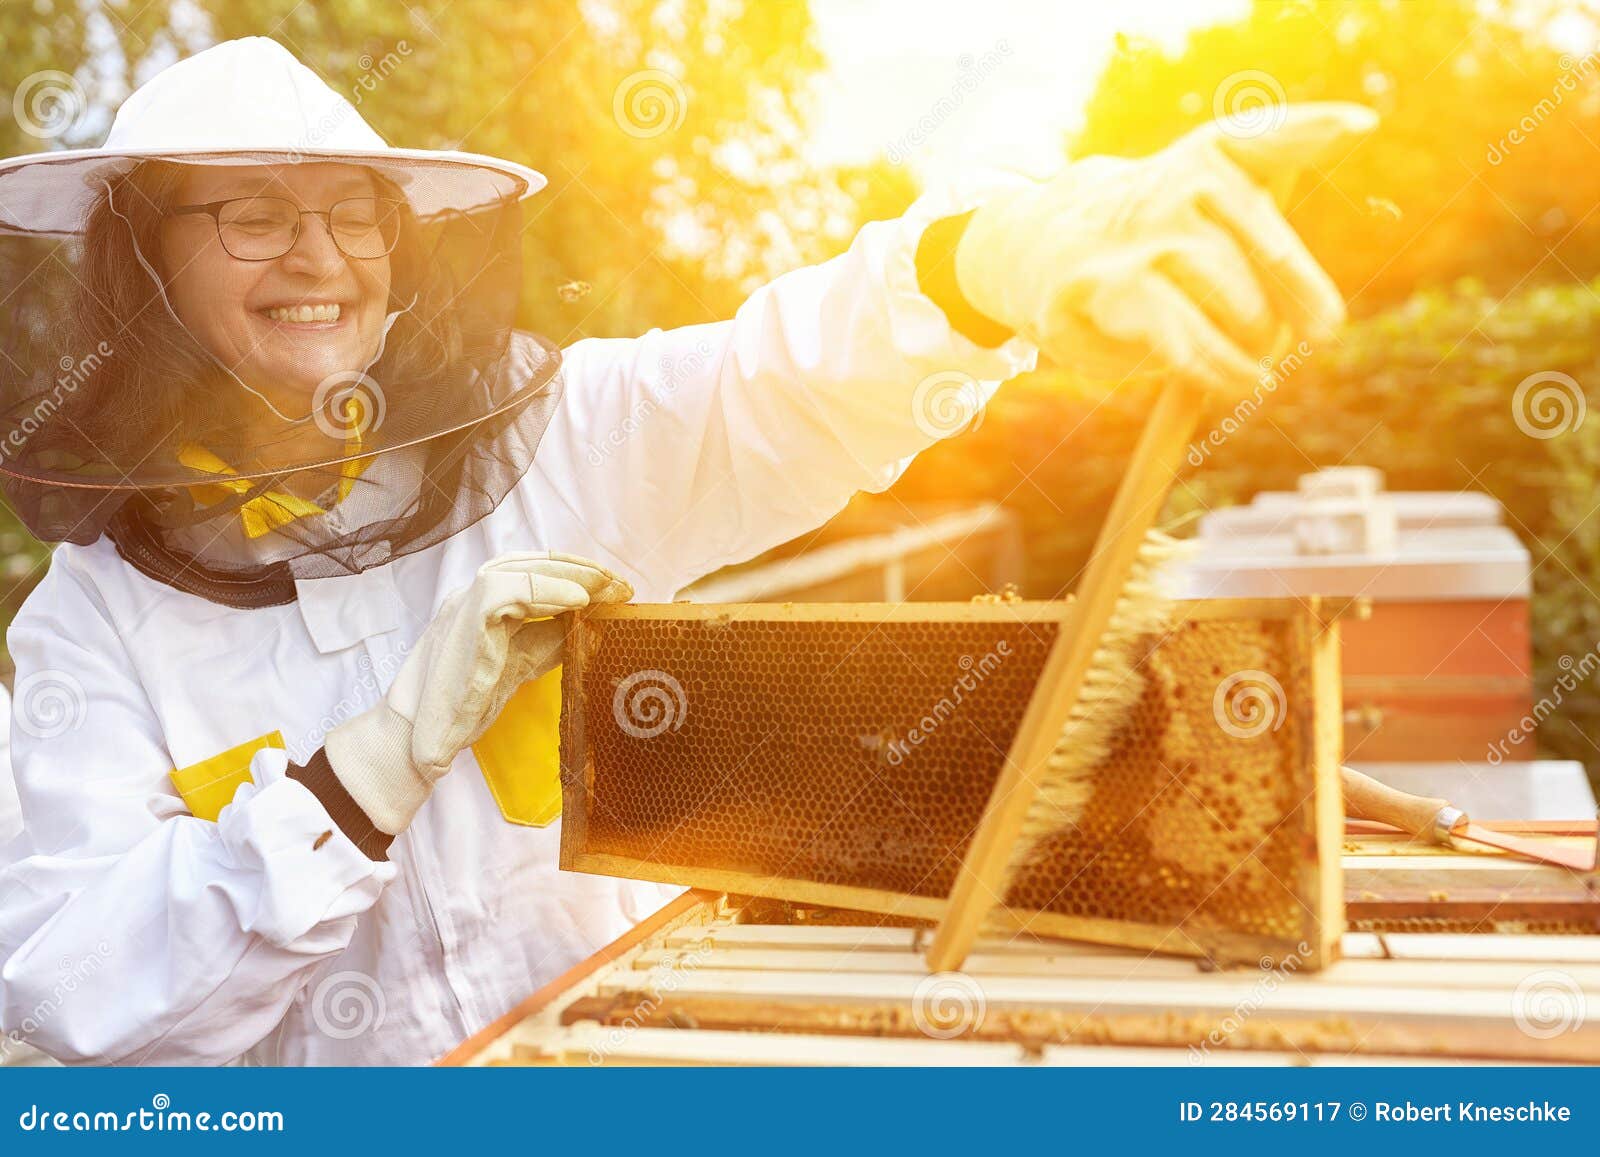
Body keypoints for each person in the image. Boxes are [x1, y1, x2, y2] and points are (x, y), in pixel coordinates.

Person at [0, 37, 1371, 1065]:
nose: (322, 253)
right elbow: (83, 1002)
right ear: (143, 262)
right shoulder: (88, 630)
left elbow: (787, 378)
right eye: (251, 215)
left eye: (352, 208)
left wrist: (1009, 250)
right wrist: (375, 761)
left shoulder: (562, 439)